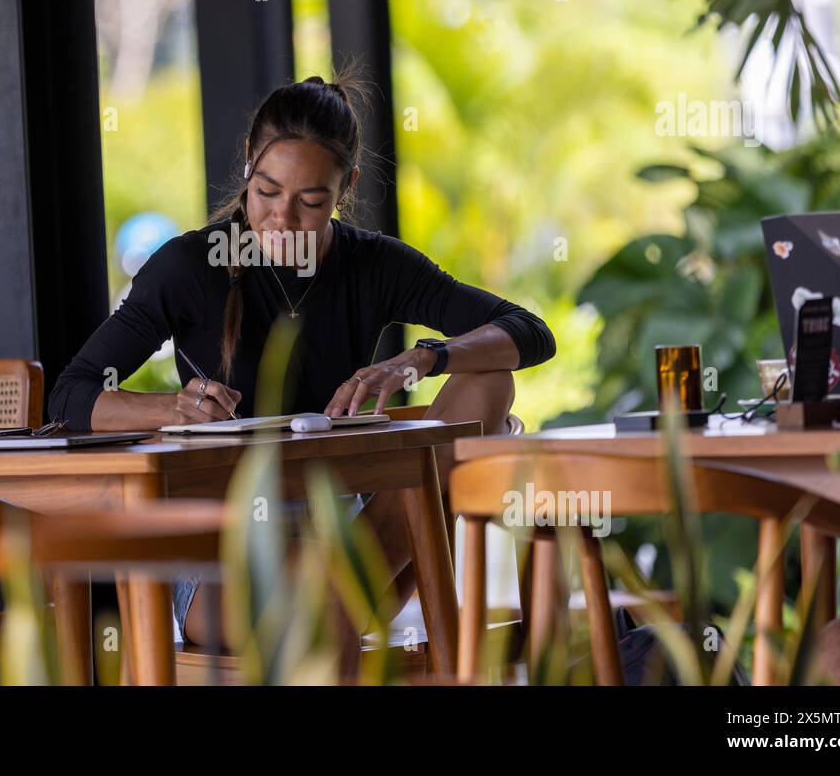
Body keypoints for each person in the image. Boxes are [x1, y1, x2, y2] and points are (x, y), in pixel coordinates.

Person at [48, 72, 556, 650]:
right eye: (266, 193)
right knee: (316, 608)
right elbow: (70, 395)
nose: (281, 219)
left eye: (310, 201)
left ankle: (337, 596)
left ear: (346, 189)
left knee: (485, 382)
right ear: (247, 165)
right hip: (225, 553)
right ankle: (337, 604)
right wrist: (172, 408)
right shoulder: (189, 266)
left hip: (355, 527)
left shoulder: (374, 266)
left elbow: (530, 331)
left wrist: (422, 358)